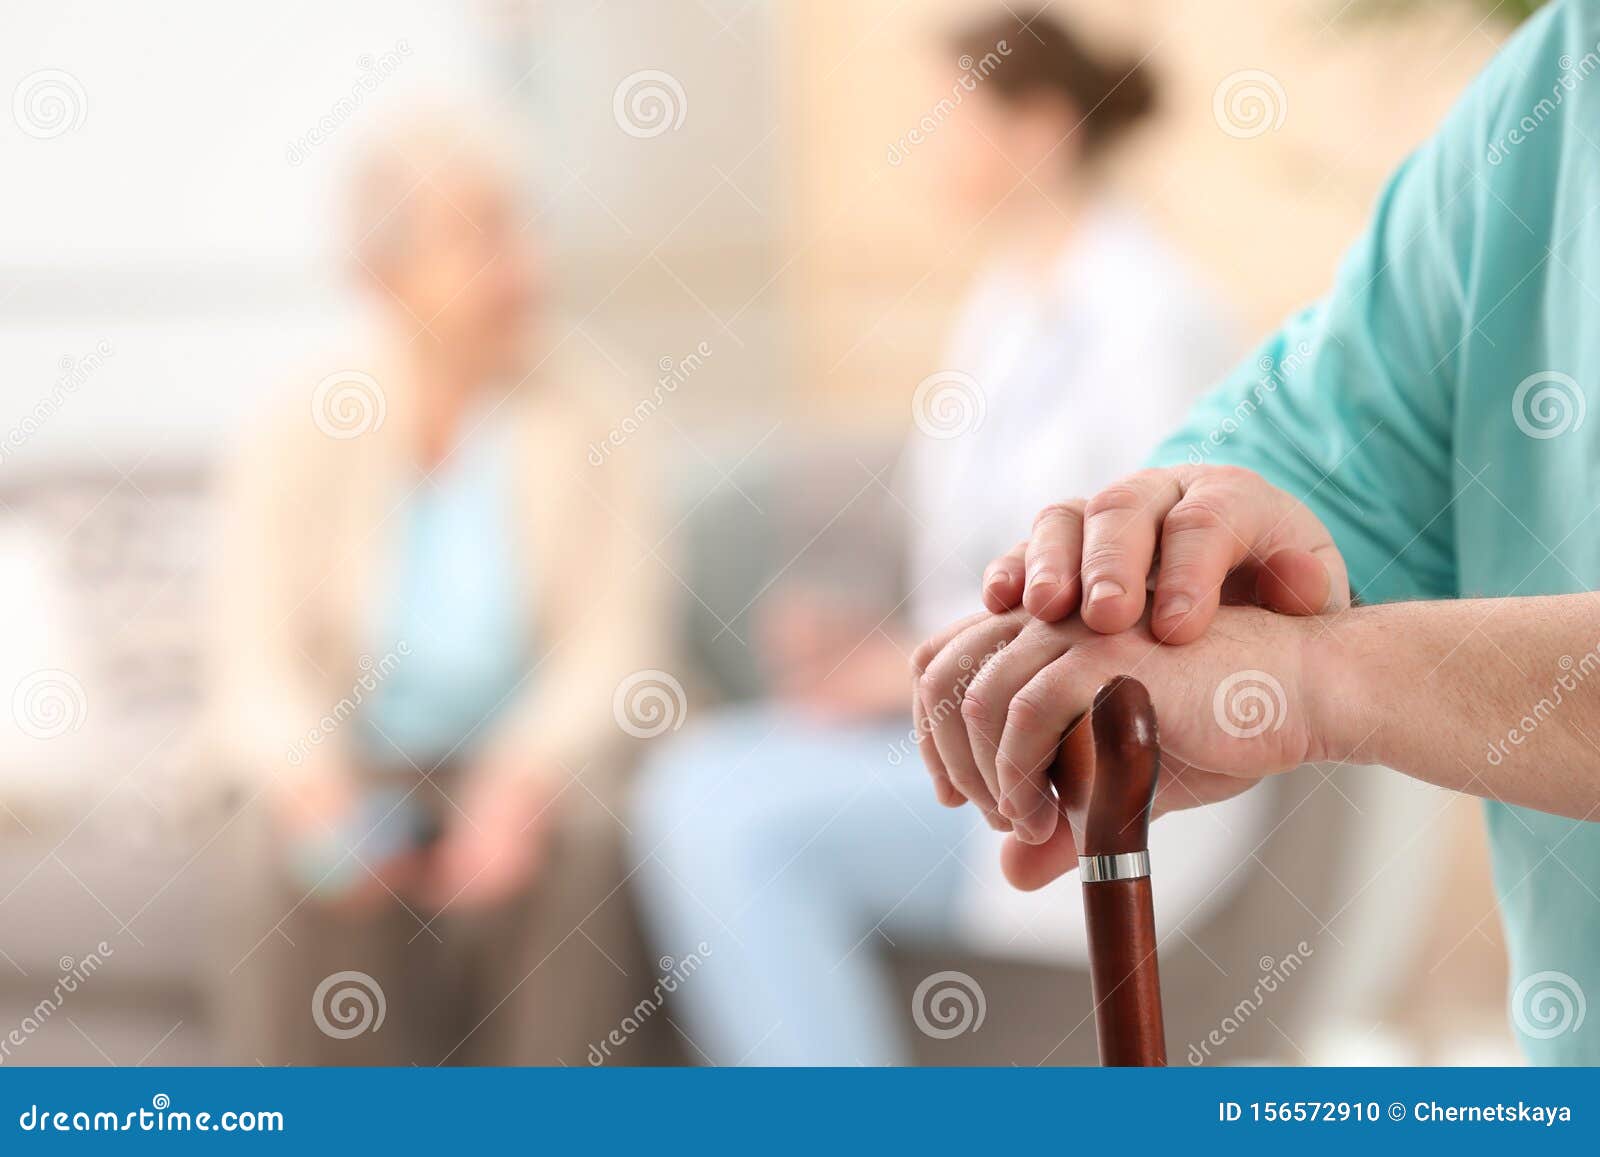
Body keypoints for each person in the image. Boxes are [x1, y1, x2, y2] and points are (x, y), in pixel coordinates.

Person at [913, 0, 1600, 1065]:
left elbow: (1311, 658)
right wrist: (1153, 562)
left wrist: (1320, 675)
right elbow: (1313, 438)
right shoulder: (1563, 76)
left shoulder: (1142, 301)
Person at [633, 10, 1250, 1065]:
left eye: (954, 112)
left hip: (1082, 758)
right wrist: (871, 644)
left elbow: (1144, 596)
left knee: (722, 814)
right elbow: (975, 550)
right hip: (975, 715)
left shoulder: (1155, 319)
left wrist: (899, 671)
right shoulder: (1006, 305)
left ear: (1040, 128)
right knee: (695, 773)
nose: (930, 139)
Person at [208, 109, 667, 1064]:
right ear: (382, 274)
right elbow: (253, 652)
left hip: (534, 760)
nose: (522, 263)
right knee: (276, 858)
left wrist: (526, 773)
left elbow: (618, 641)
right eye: (478, 235)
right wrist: (310, 783)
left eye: (520, 226)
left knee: (582, 848)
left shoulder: (595, 406)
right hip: (361, 761)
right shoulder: (300, 421)